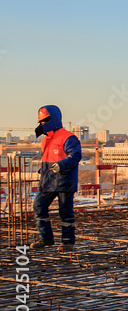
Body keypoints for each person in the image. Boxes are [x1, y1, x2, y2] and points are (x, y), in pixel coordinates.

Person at [30, 105, 82, 252]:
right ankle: (46, 238)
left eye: (46, 120)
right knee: (39, 206)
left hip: (65, 181)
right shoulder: (45, 140)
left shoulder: (68, 137)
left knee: (65, 211)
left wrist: (61, 165)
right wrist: (43, 170)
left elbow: (75, 155)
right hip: (48, 181)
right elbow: (48, 158)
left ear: (54, 119)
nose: (43, 124)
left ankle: (67, 242)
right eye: (41, 121)